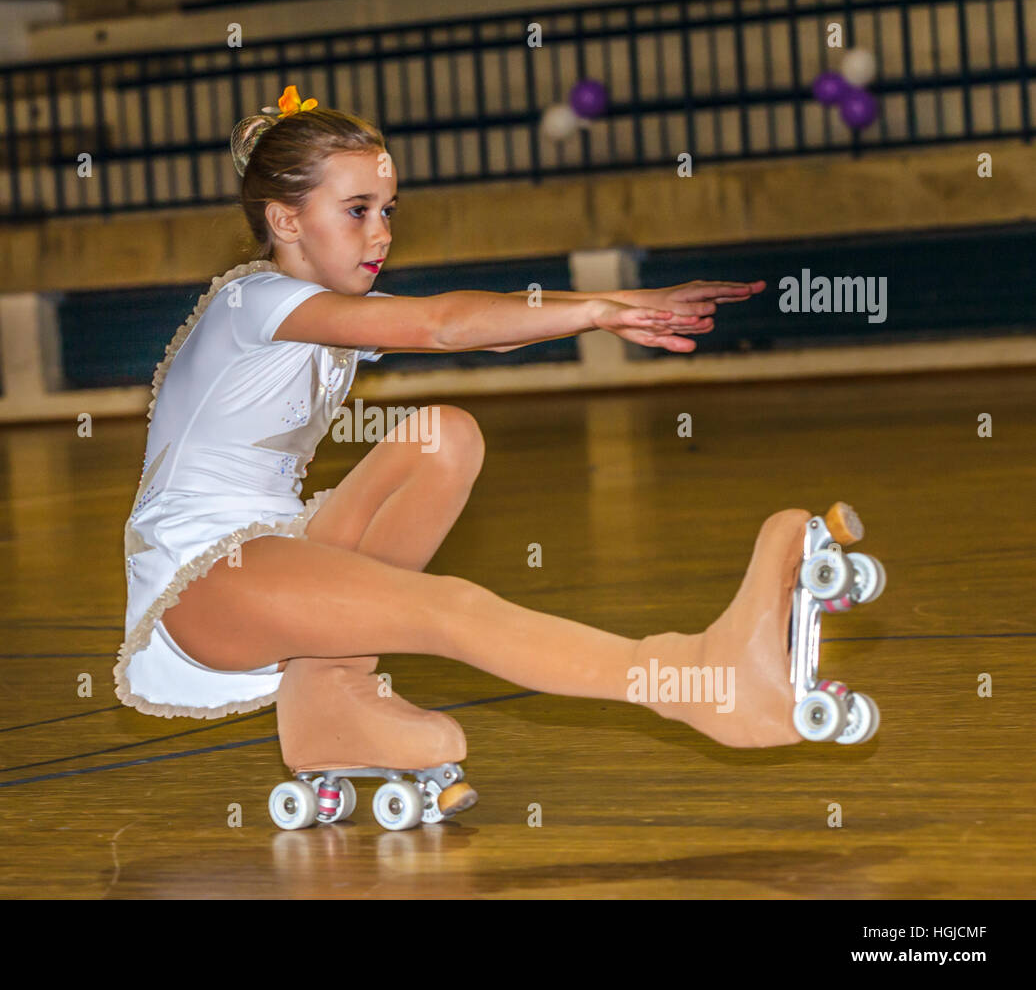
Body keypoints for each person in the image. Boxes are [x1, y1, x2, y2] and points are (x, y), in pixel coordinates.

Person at [114, 84, 805, 810]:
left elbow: (488, 324)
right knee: (444, 606)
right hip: (202, 582)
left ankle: (331, 700)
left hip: (272, 546)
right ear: (285, 218)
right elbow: (441, 324)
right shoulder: (252, 303)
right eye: (357, 212)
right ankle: (692, 679)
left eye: (388, 211)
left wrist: (612, 312)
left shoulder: (324, 310)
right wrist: (600, 307)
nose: (380, 233)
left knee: (444, 436)